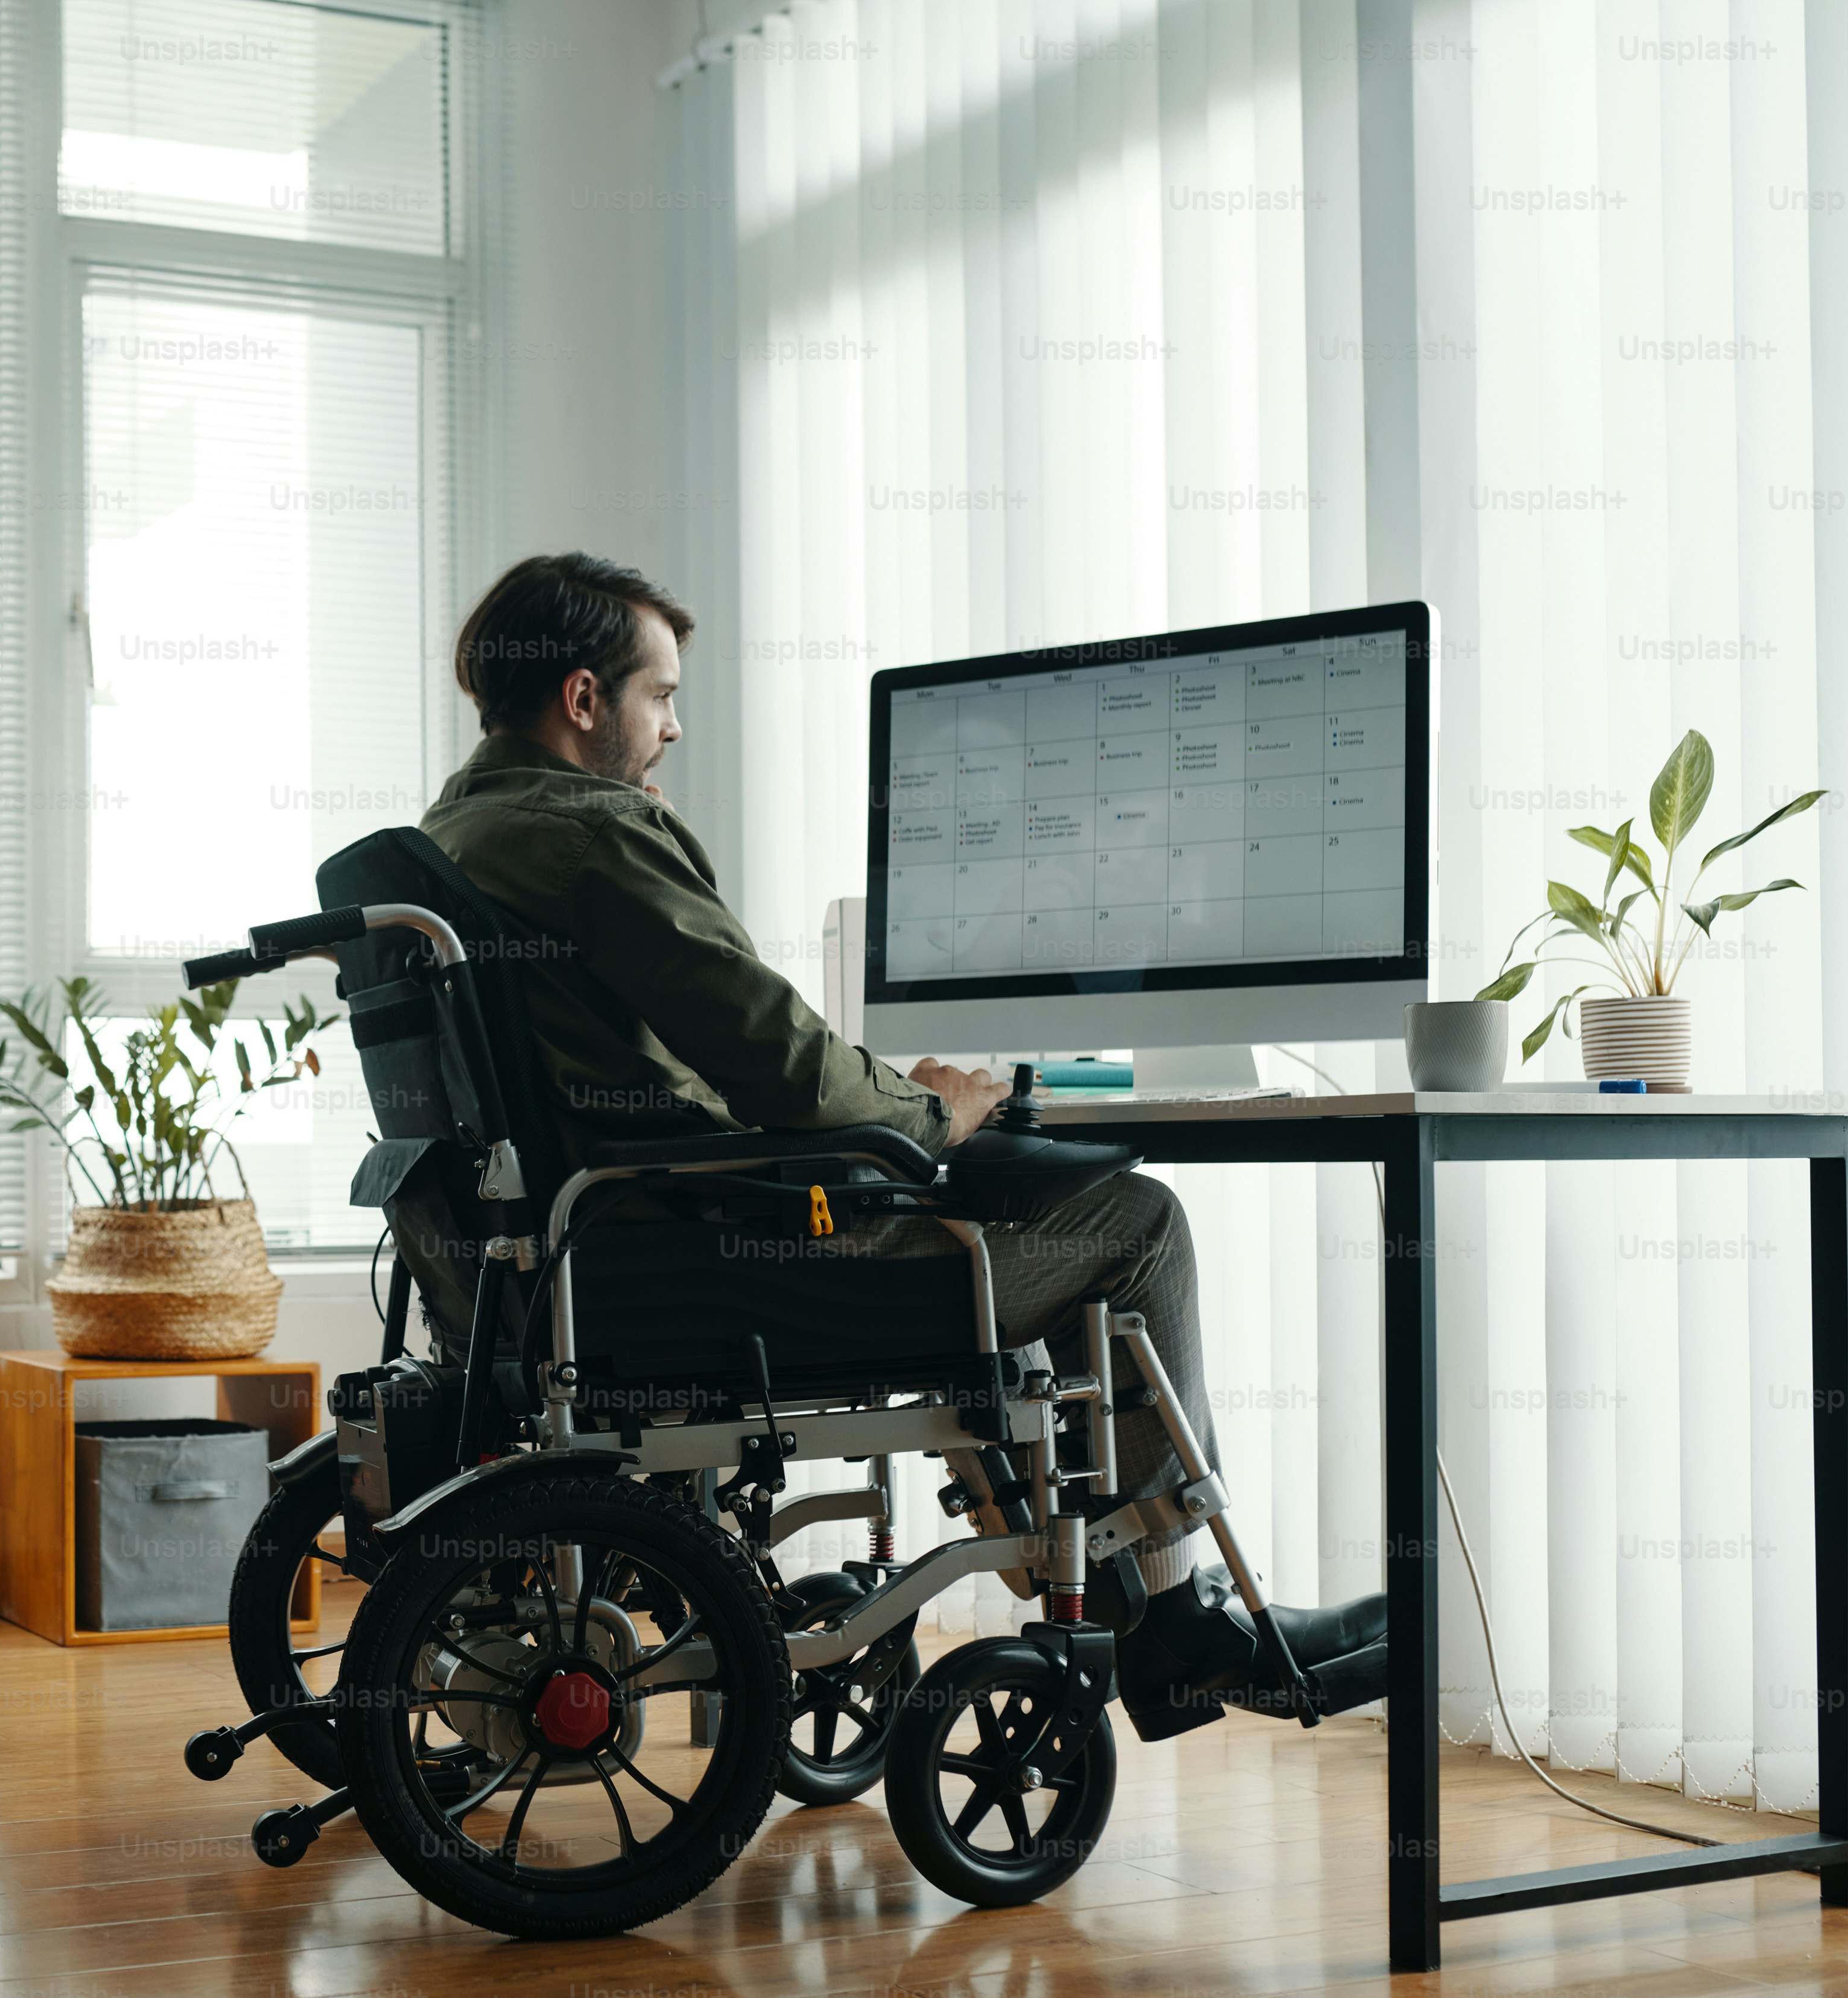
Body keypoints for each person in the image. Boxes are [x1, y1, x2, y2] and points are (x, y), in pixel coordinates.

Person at [418, 552, 1386, 1735]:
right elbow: (777, 1061)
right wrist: (932, 1108)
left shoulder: (451, 832)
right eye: (660, 696)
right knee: (1134, 1224)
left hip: (577, 1263)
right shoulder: (590, 829)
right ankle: (1179, 1626)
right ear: (582, 698)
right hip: (710, 1265)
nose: (672, 728)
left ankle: (1140, 1596)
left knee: (1011, 1230)